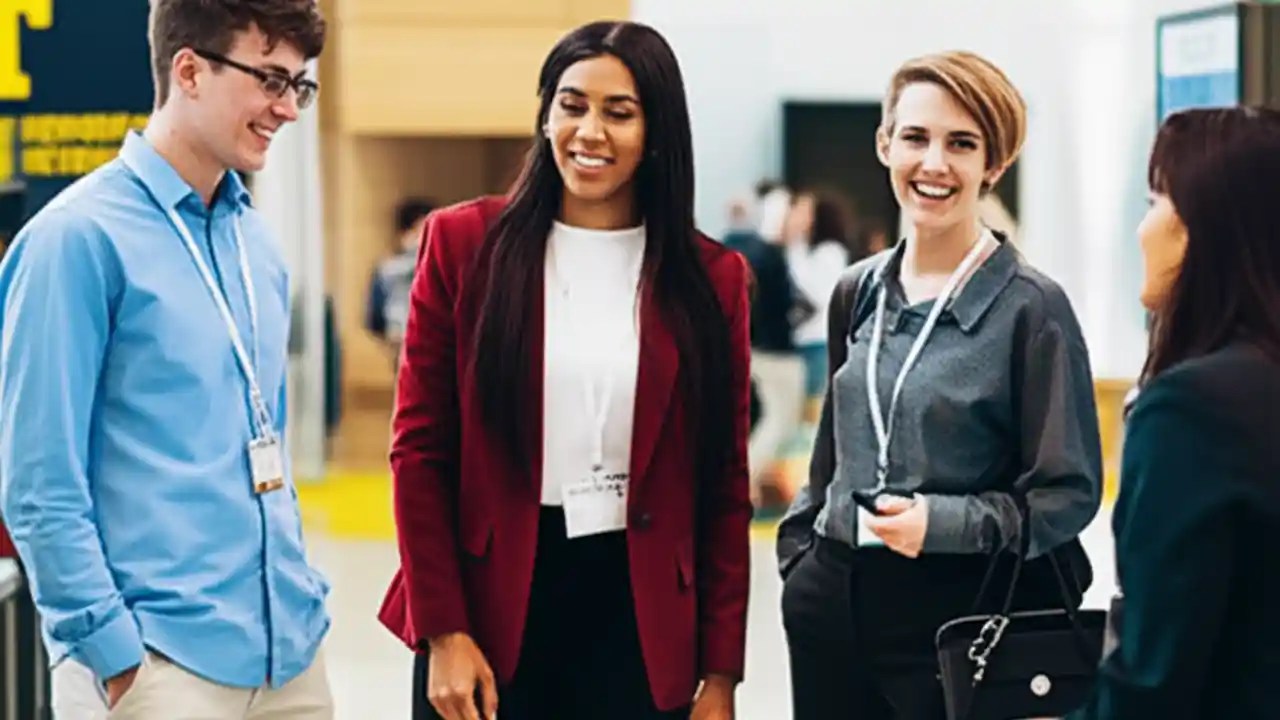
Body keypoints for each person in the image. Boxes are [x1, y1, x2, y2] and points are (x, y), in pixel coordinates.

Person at [376, 20, 751, 720]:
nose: (590, 131)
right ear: (545, 112)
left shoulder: (712, 279)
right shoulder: (463, 246)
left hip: (640, 615)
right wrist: (443, 633)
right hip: (491, 604)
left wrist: (721, 672)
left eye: (620, 112)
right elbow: (419, 452)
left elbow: (725, 483)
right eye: (572, 104)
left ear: (658, 130)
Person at [0, 2, 332, 718]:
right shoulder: (75, 241)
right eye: (271, 80)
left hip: (287, 657)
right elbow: (38, 487)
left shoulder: (257, 245)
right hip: (156, 666)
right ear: (189, 70)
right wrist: (117, 658)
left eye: (298, 87)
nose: (288, 109)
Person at [776, 50, 1102, 719]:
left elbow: (1067, 494)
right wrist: (803, 554)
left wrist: (945, 523)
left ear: (995, 165)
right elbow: (832, 453)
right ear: (884, 143)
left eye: (962, 143)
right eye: (916, 137)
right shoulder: (856, 290)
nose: (934, 163)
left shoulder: (1031, 309)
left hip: (961, 611)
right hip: (834, 603)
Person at [1068, 107, 1280, 719]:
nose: (1142, 229)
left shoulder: (1194, 411)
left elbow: (1156, 679)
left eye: (1156, 200)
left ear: (1203, 228)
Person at [783, 190, 855, 399]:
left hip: (818, 339)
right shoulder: (807, 250)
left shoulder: (831, 252)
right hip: (802, 339)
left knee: (812, 404)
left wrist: (793, 243)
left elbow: (814, 292)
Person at [365, 197, 435, 367]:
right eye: (418, 231)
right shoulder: (387, 270)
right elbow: (374, 319)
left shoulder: (444, 270)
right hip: (400, 349)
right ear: (404, 233)